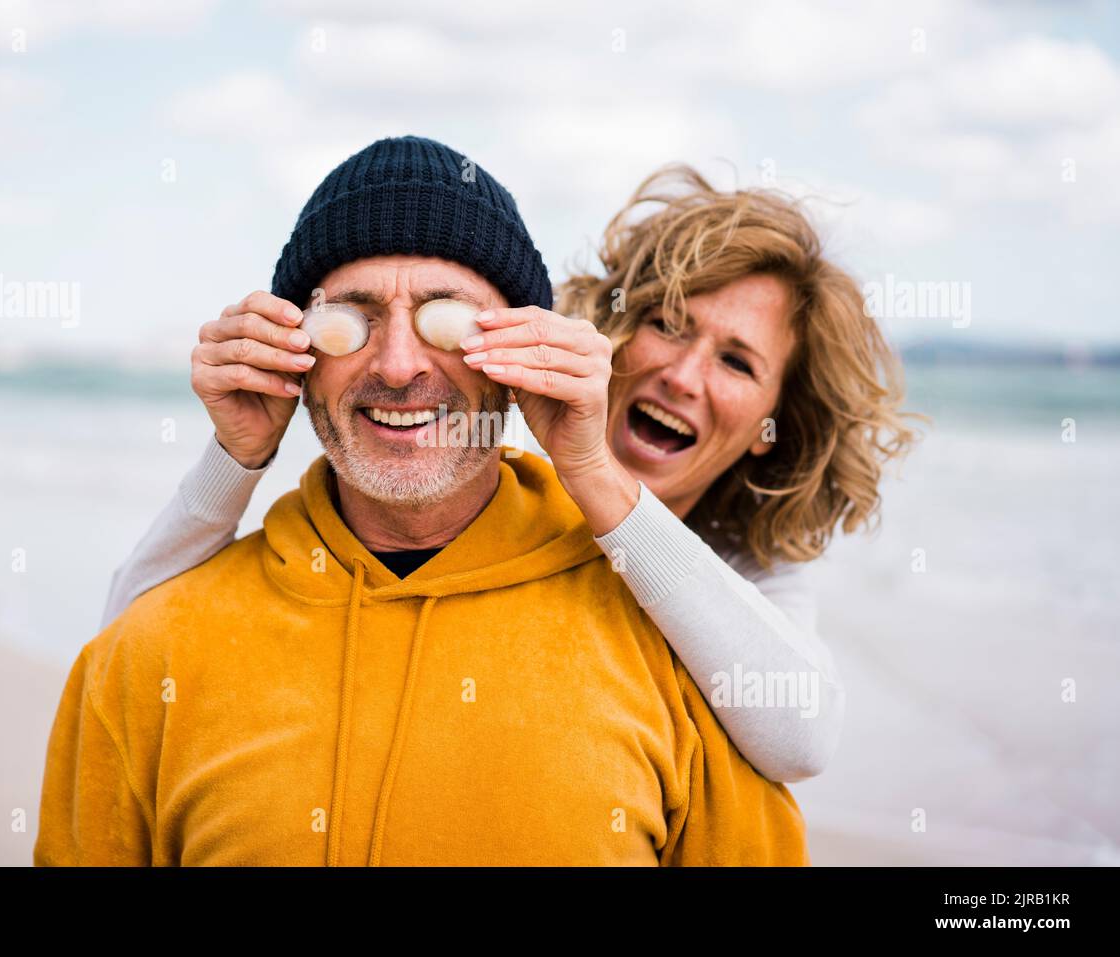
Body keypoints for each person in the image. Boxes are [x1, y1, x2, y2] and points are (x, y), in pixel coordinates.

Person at [34, 135, 809, 866]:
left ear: (521, 356)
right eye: (352, 319)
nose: (400, 365)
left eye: (448, 318)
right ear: (290, 353)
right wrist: (236, 454)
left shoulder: (691, 652)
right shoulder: (151, 653)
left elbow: (802, 732)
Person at [101, 162, 917, 784]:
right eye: (666, 325)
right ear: (605, 329)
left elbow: (800, 736)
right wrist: (237, 453)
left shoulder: (752, 567)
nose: (684, 376)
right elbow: (125, 654)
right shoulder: (486, 476)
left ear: (776, 422)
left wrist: (596, 472)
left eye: (738, 362)